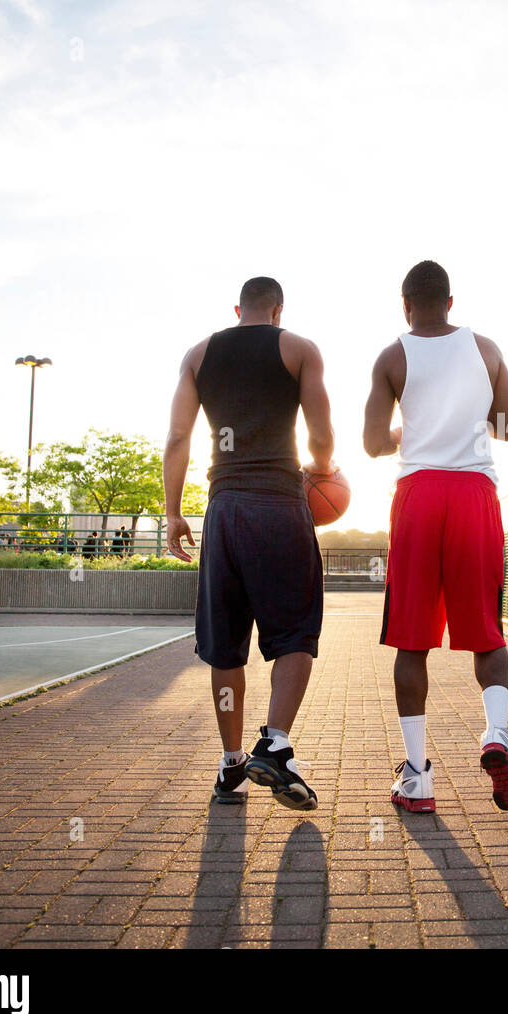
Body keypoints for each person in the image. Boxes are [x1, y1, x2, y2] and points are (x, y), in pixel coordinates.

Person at [163, 276, 335, 810]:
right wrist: (324, 471)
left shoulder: (198, 355)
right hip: (279, 505)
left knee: (225, 645)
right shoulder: (299, 349)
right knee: (295, 633)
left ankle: (232, 761)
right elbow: (322, 436)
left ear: (238, 309)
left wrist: (172, 513)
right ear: (278, 310)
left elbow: (177, 439)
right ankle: (276, 745)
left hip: (223, 508)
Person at [363, 260, 508, 813]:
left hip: (419, 496)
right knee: (486, 633)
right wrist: (463, 419)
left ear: (405, 304)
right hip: (474, 495)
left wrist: (414, 428)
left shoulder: (391, 357)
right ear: (450, 302)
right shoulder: (486, 349)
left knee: (412, 641)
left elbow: (370, 444)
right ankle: (497, 734)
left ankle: (417, 778)